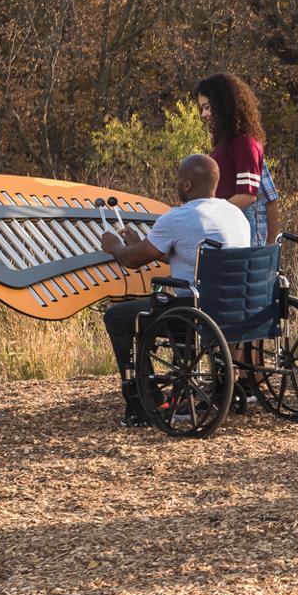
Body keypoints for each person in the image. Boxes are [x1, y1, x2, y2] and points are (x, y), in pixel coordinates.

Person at [98, 154, 251, 426]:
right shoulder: (234, 214)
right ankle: (219, 387)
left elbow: (132, 261)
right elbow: (193, 257)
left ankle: (145, 403)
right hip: (236, 308)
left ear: (188, 184)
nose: (176, 183)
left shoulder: (178, 217)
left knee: (117, 318)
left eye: (179, 179)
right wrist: (143, 243)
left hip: (195, 313)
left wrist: (115, 247)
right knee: (168, 300)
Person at [195, 73, 269, 247]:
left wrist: (211, 211)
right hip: (224, 221)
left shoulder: (245, 142)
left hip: (238, 222)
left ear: (223, 104)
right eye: (202, 109)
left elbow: (247, 195)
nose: (204, 114)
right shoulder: (226, 141)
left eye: (207, 107)